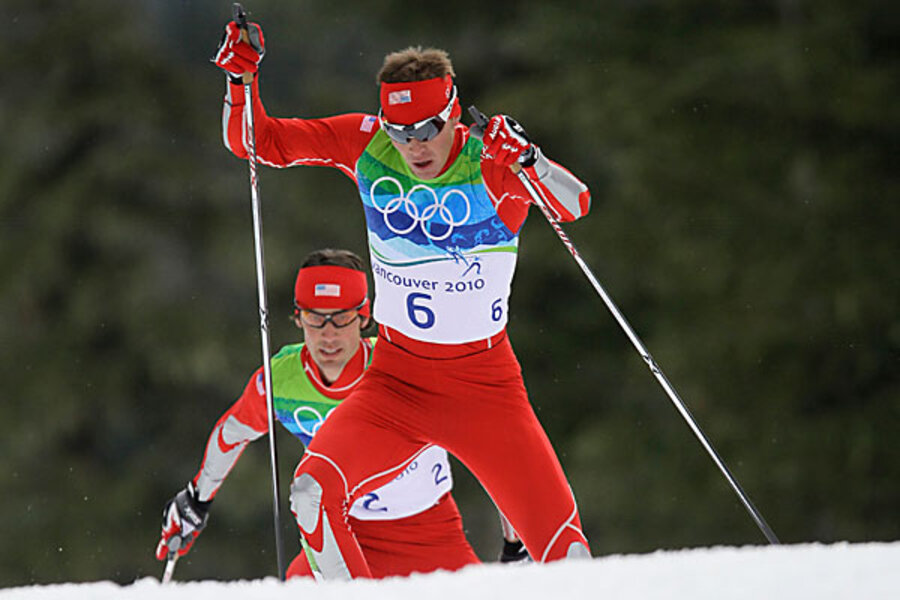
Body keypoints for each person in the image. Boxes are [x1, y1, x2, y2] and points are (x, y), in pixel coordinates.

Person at [213, 18, 591, 580]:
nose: (414, 144)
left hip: (484, 388)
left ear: (455, 112)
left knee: (569, 555)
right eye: (400, 129)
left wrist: (530, 159)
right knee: (313, 492)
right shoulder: (368, 145)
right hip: (396, 380)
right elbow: (257, 143)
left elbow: (574, 203)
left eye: (427, 127)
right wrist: (241, 80)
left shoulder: (490, 160)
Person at [156, 248, 518, 579]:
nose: (328, 336)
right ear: (297, 318)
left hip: (430, 535)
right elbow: (233, 432)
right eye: (316, 319)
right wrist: (196, 499)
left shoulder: (407, 366)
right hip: (338, 539)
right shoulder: (282, 380)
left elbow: (494, 445)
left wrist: (516, 542)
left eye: (341, 319)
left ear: (364, 317)